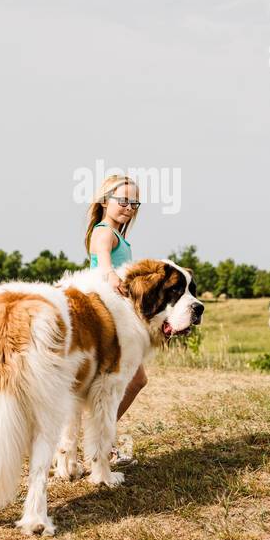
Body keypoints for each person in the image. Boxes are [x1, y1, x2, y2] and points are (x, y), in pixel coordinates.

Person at [84, 174, 148, 431]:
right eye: (123, 201)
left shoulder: (116, 235)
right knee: (135, 379)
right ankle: (100, 436)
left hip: (116, 315)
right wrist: (110, 274)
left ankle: (100, 435)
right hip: (110, 318)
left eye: (134, 204)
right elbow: (104, 263)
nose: (129, 208)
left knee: (131, 380)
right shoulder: (104, 233)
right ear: (103, 200)